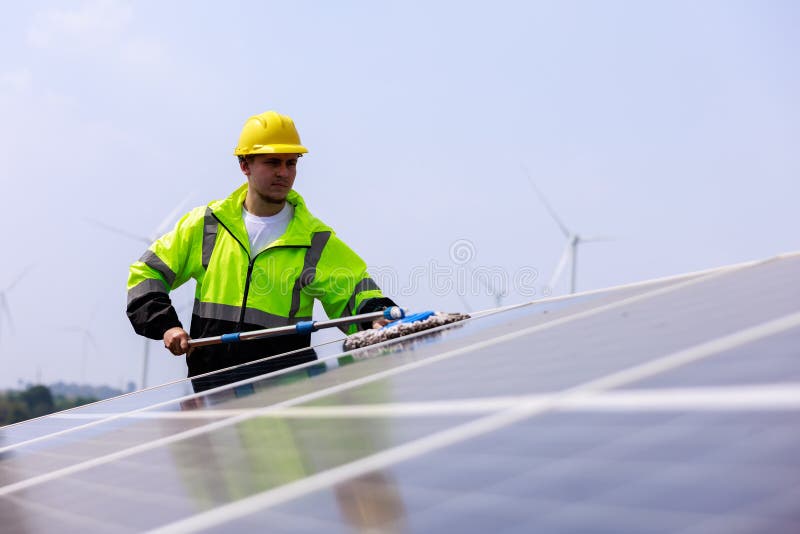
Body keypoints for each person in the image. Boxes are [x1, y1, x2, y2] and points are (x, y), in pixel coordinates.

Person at [126, 111, 396, 377]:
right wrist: (167, 326)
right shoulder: (208, 225)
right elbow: (146, 274)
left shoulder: (314, 239)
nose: (284, 173)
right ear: (245, 165)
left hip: (281, 398)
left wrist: (375, 315)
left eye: (291, 163)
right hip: (209, 394)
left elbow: (356, 291)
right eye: (273, 162)